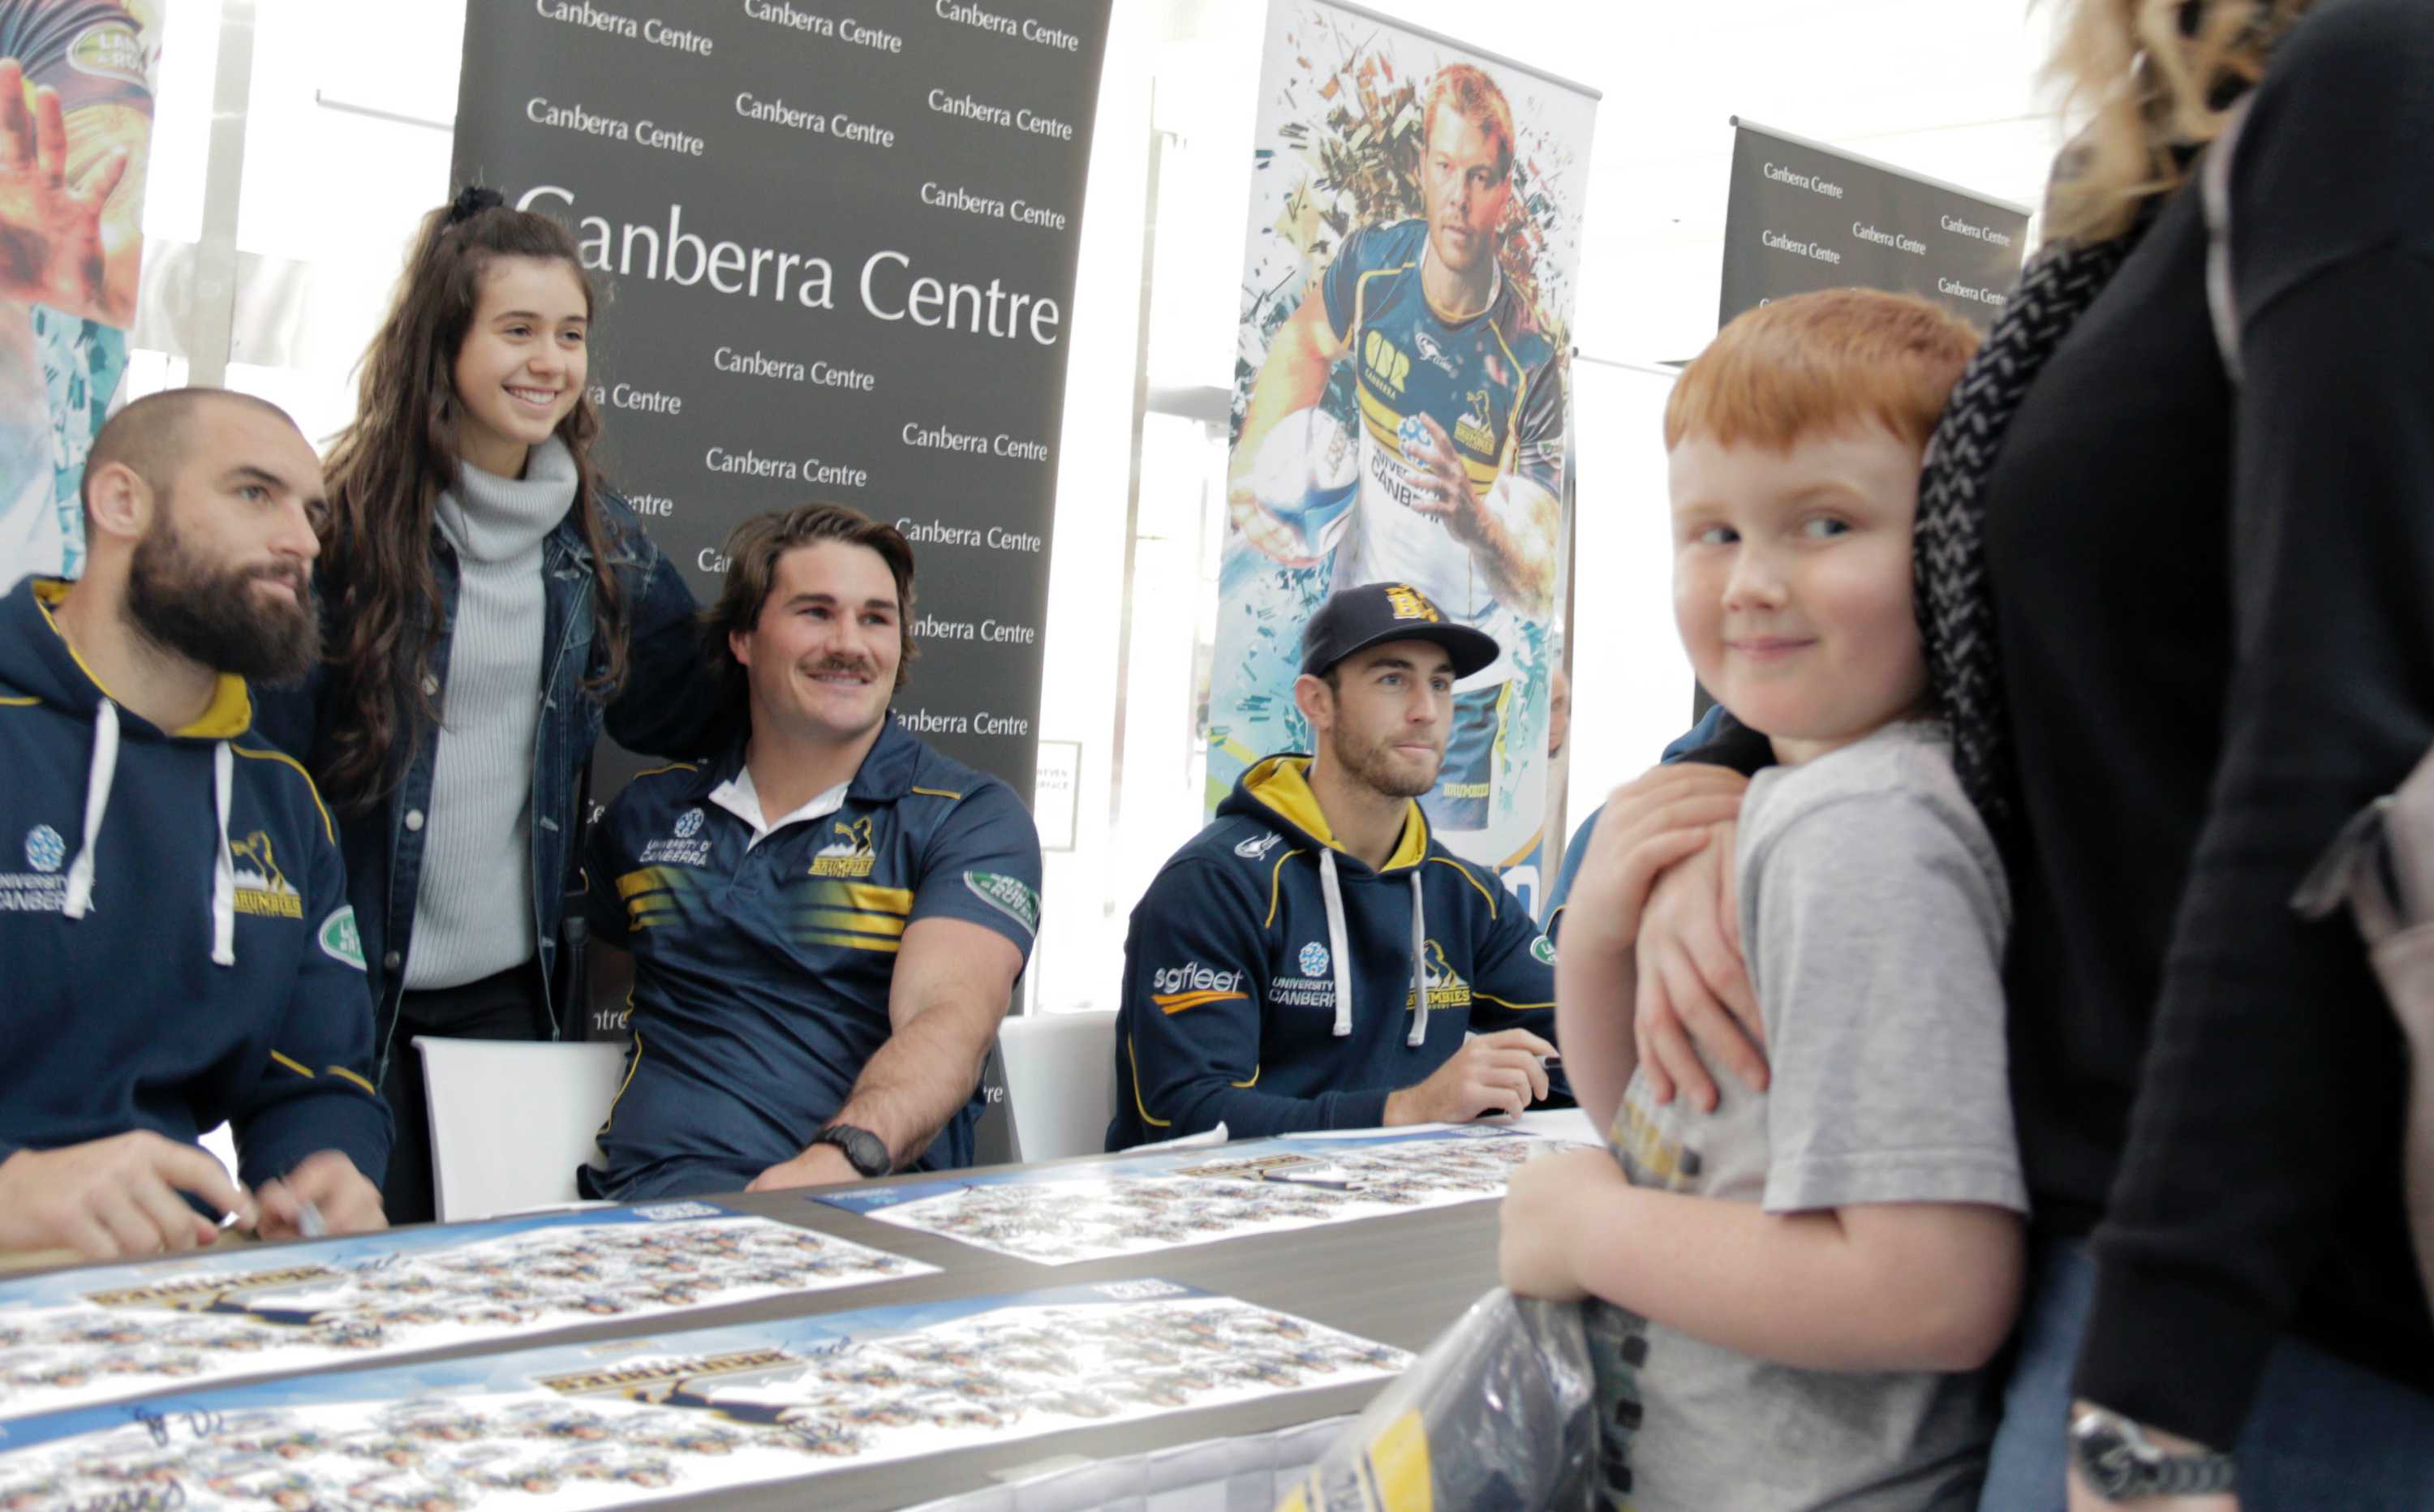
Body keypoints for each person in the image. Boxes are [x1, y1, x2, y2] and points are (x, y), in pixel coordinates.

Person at [1622, 2, 2434, 1503]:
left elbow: (2331, 726)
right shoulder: (2130, 171)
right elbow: (1986, 590)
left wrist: (2159, 1392)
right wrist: (1731, 784)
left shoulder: (2373, 79)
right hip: (2099, 1243)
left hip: (2262, 1306)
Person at [1498, 292, 2023, 1509]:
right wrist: (1604, 936)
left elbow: (1932, 1292)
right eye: (1714, 533)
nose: (1750, 584)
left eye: (1824, 524)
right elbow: (1678, 1129)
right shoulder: (1795, 805)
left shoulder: (1869, 831)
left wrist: (1587, 1236)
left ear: (1952, 541)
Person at [253, 188, 724, 1225]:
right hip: (345, 994)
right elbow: (267, 777)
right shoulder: (345, 529)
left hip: (517, 996)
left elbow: (688, 708)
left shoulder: (602, 541)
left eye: (570, 334)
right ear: (445, 344)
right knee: (344, 1298)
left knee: (495, 1291)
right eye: (516, 330)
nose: (548, 361)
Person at [0, 389, 387, 1260]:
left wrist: (325, 1170)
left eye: (312, 510)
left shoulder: (281, 802)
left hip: (160, 1297)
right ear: (121, 501)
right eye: (255, 494)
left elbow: (315, 1076)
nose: (304, 540)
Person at [576, 504, 1040, 1199]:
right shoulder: (646, 817)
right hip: (657, 1220)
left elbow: (950, 1020)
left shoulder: (967, 818)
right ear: (742, 638)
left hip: (868, 1214)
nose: (849, 643)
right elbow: (592, 991)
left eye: (876, 618)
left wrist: (841, 1159)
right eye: (816, 613)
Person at [1228, 62, 1563, 840]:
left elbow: (1540, 578)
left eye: (1478, 177)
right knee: (1317, 857)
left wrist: (1475, 517)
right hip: (1355, 649)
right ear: (1421, 168)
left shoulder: (1528, 356)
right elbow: (1306, 339)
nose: (1457, 195)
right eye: (1444, 168)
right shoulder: (1373, 266)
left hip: (1457, 686)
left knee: (1435, 882)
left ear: (1503, 192)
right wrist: (1253, 463)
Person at [1107, 580, 1560, 1152]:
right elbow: (1187, 1116)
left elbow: (1583, 1050)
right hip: (1234, 1227)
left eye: (1441, 684)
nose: (1426, 711)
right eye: (1393, 680)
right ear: (1316, 702)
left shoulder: (1464, 894)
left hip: (1404, 1221)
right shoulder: (1215, 884)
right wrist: (1409, 1110)